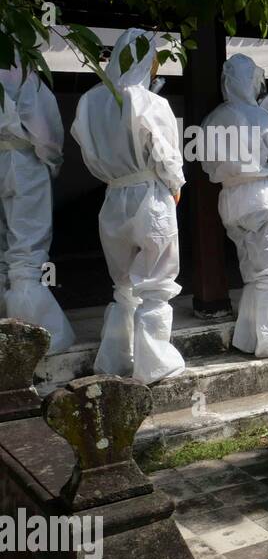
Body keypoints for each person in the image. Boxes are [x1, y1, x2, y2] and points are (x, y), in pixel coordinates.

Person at [70, 28, 186, 384]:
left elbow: (87, 152)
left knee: (123, 284)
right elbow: (165, 154)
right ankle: (155, 363)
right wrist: (175, 184)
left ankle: (117, 356)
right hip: (149, 193)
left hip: (113, 195)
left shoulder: (90, 100)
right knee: (155, 279)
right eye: (153, 59)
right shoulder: (150, 102)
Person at [201, 54, 268, 358]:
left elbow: (208, 167)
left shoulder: (212, 119)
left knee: (252, 271)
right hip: (264, 197)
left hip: (230, 200)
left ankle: (249, 337)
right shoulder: (262, 117)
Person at [0, 56, 76, 352]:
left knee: (4, 247)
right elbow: (45, 132)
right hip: (25, 161)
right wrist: (52, 163)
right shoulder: (27, 80)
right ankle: (36, 334)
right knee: (28, 252)